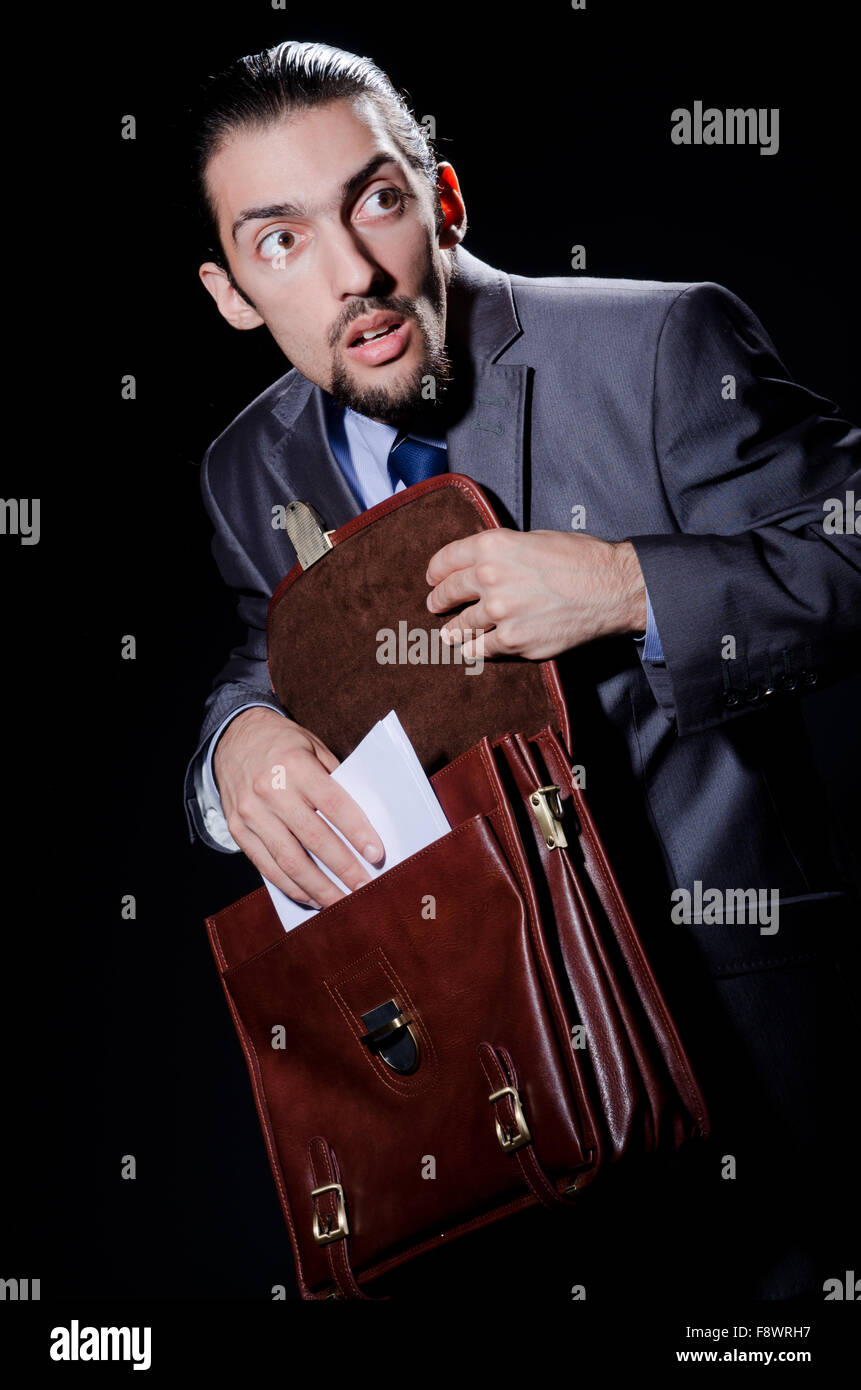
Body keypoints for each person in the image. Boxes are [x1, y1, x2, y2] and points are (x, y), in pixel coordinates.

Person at [182, 39, 860, 1301]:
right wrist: (240, 742)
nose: (352, 274)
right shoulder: (244, 467)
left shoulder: (661, 342)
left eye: (375, 200)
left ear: (442, 196)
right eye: (280, 240)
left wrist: (633, 585)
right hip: (485, 1118)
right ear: (230, 292)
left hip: (756, 1089)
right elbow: (254, 653)